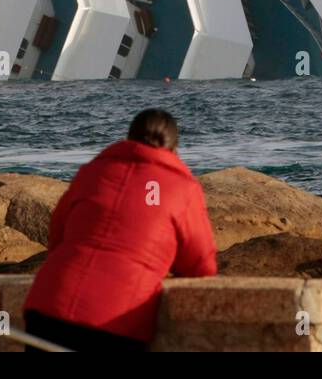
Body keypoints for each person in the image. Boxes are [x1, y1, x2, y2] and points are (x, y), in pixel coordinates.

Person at [23, 109, 217, 351]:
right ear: (175, 149)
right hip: (116, 319)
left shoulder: (91, 173)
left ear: (128, 139)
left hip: (49, 304)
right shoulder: (183, 189)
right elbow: (201, 265)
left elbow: (57, 237)